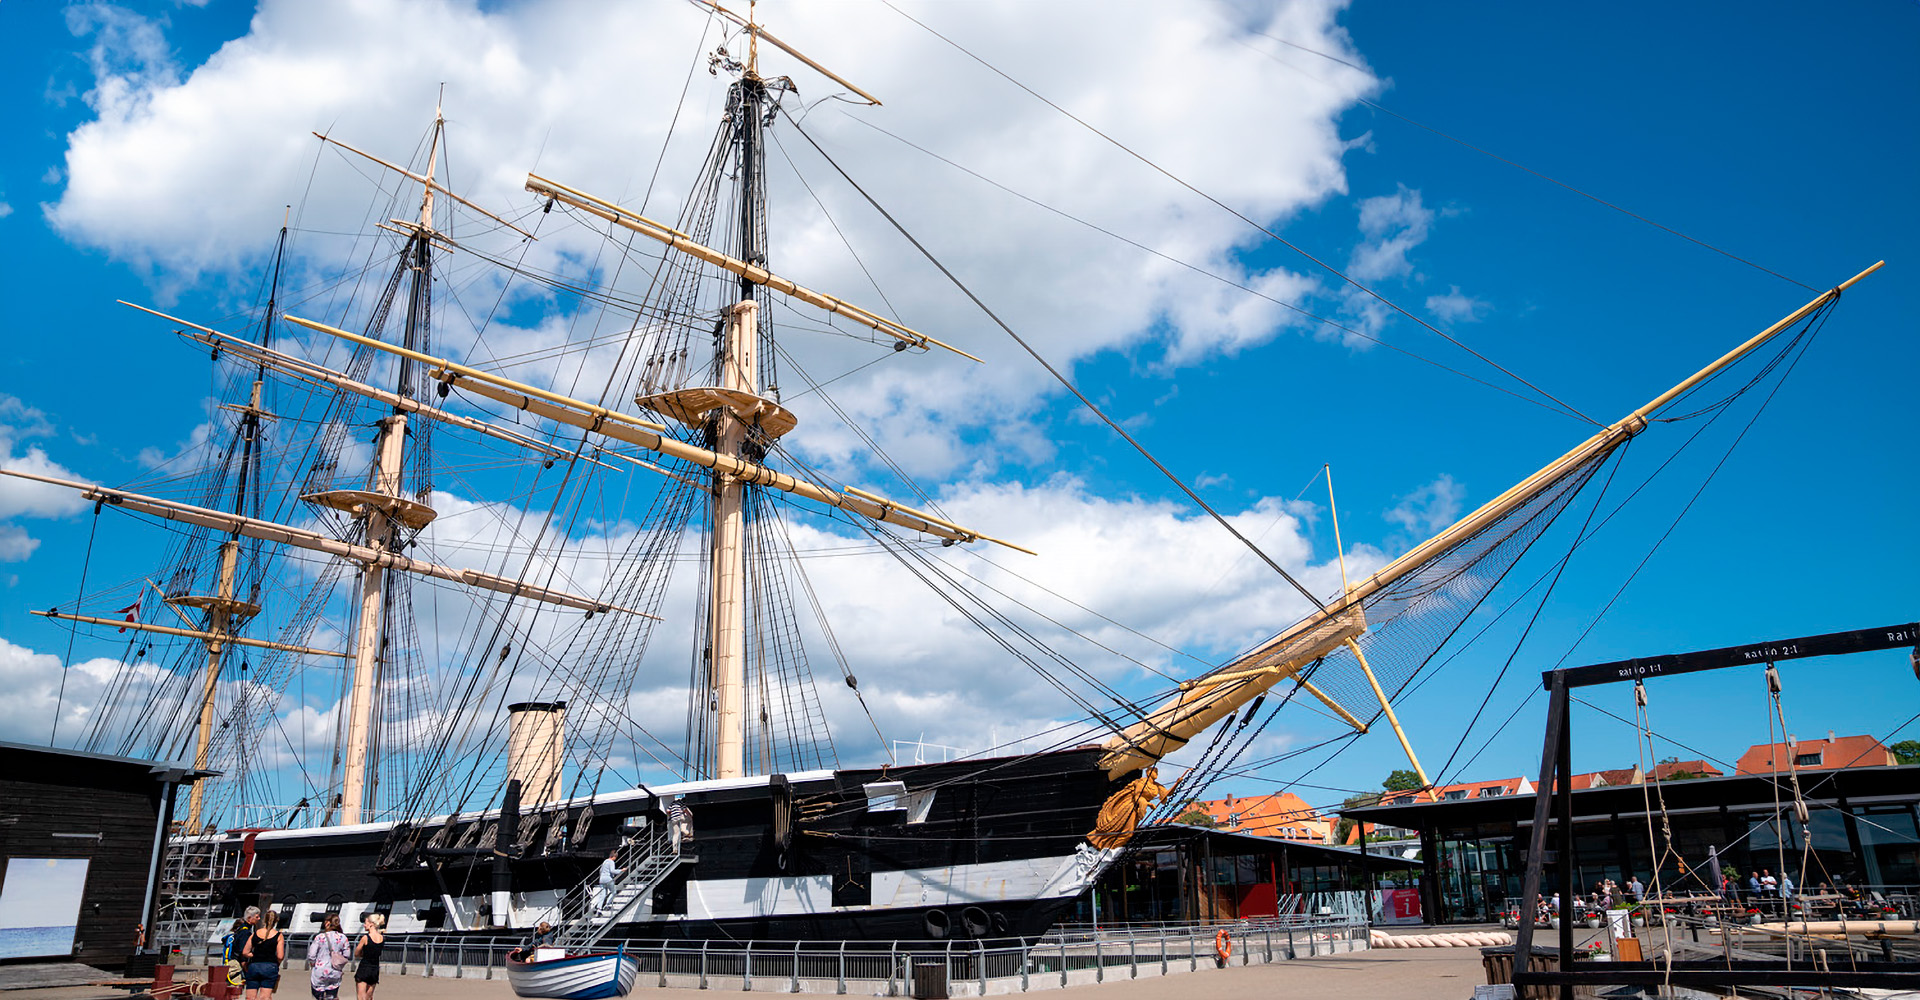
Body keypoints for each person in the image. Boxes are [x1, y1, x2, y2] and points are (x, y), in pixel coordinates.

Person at [239, 909, 286, 1000]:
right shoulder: (278, 935)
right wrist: (276, 963)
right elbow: (280, 956)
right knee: (265, 997)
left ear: (264, 920)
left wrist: (254, 955)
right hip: (270, 966)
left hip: (254, 966)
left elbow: (245, 952)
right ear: (276, 921)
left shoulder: (255, 933)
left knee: (250, 997)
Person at [307, 913, 350, 1000]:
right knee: (332, 996)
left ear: (327, 923)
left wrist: (313, 964)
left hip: (320, 970)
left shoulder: (320, 937)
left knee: (319, 996)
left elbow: (311, 955)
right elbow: (347, 955)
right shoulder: (343, 937)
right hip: (335, 971)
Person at [353, 913, 385, 1000]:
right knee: (369, 996)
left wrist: (362, 954)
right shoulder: (381, 938)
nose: (364, 925)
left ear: (371, 924)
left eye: (366, 923)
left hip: (364, 967)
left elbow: (356, 953)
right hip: (375, 969)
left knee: (361, 997)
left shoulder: (365, 938)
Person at [221, 918, 250, 989]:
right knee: (235, 988)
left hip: (226, 962)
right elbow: (241, 950)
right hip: (235, 963)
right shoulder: (240, 936)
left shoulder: (230, 937)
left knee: (228, 987)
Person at [594, 849, 624, 914]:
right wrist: (621, 870)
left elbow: (600, 870)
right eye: (615, 858)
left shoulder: (605, 861)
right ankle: (607, 904)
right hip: (608, 879)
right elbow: (612, 871)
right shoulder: (611, 862)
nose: (615, 859)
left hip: (601, 879)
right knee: (613, 892)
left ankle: (599, 908)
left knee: (603, 894)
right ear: (614, 857)